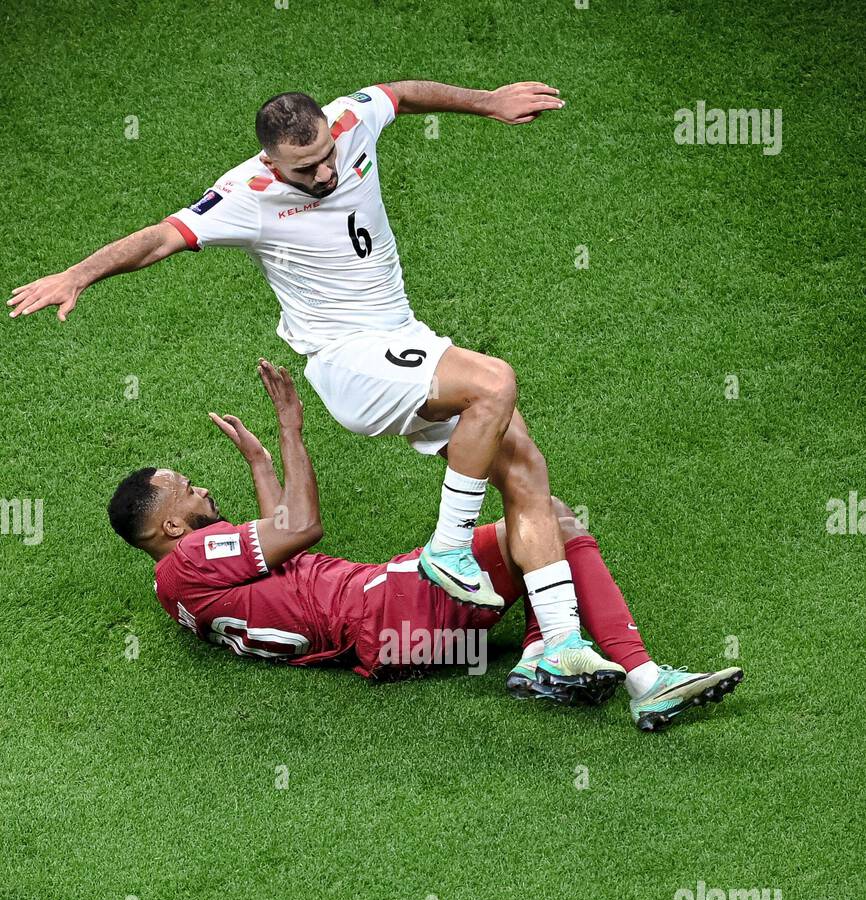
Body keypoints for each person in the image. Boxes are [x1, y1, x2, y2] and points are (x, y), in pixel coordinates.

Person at [11, 79, 613, 699]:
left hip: (404, 342)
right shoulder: (247, 193)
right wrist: (77, 274)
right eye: (306, 168)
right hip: (352, 360)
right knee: (494, 381)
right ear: (271, 163)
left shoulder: (352, 121)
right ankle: (449, 549)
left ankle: (573, 651)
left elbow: (399, 92)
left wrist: (488, 102)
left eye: (328, 154)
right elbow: (161, 238)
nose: (327, 172)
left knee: (523, 469)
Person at [107, 361, 743, 731]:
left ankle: (539, 658)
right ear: (168, 528)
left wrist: (264, 457)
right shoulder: (191, 558)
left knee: (534, 544)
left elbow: (274, 536)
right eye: (188, 491)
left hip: (393, 647)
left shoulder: (180, 592)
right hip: (387, 608)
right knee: (552, 518)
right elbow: (298, 527)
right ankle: (643, 677)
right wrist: (293, 424)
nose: (201, 491)